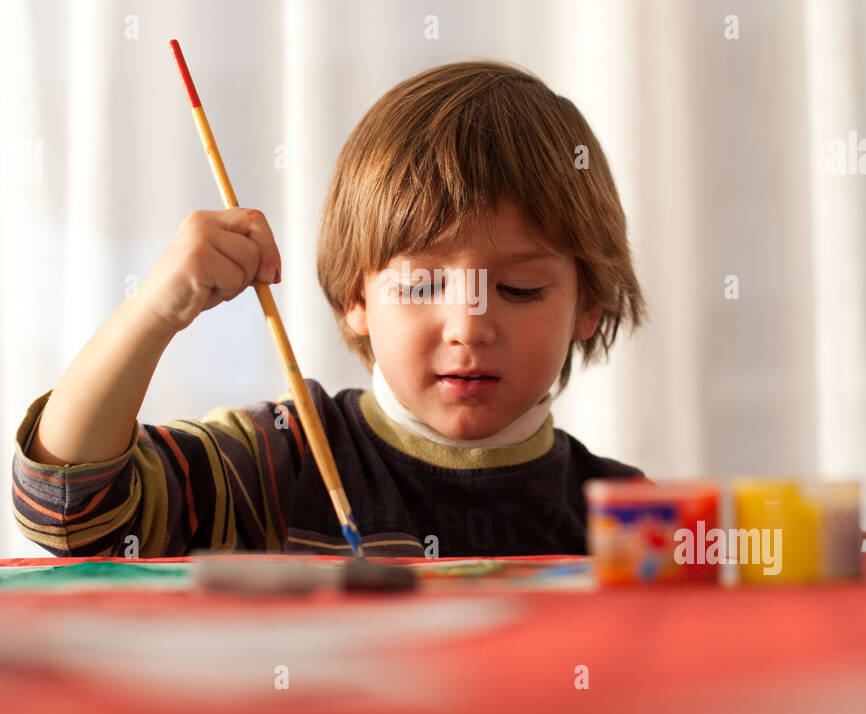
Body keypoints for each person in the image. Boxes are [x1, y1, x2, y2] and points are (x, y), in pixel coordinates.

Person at [12, 60, 648, 559]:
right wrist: (151, 314)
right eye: (423, 287)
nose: (469, 327)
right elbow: (72, 509)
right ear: (356, 299)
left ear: (587, 304)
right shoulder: (279, 462)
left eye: (519, 290)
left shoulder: (629, 518)